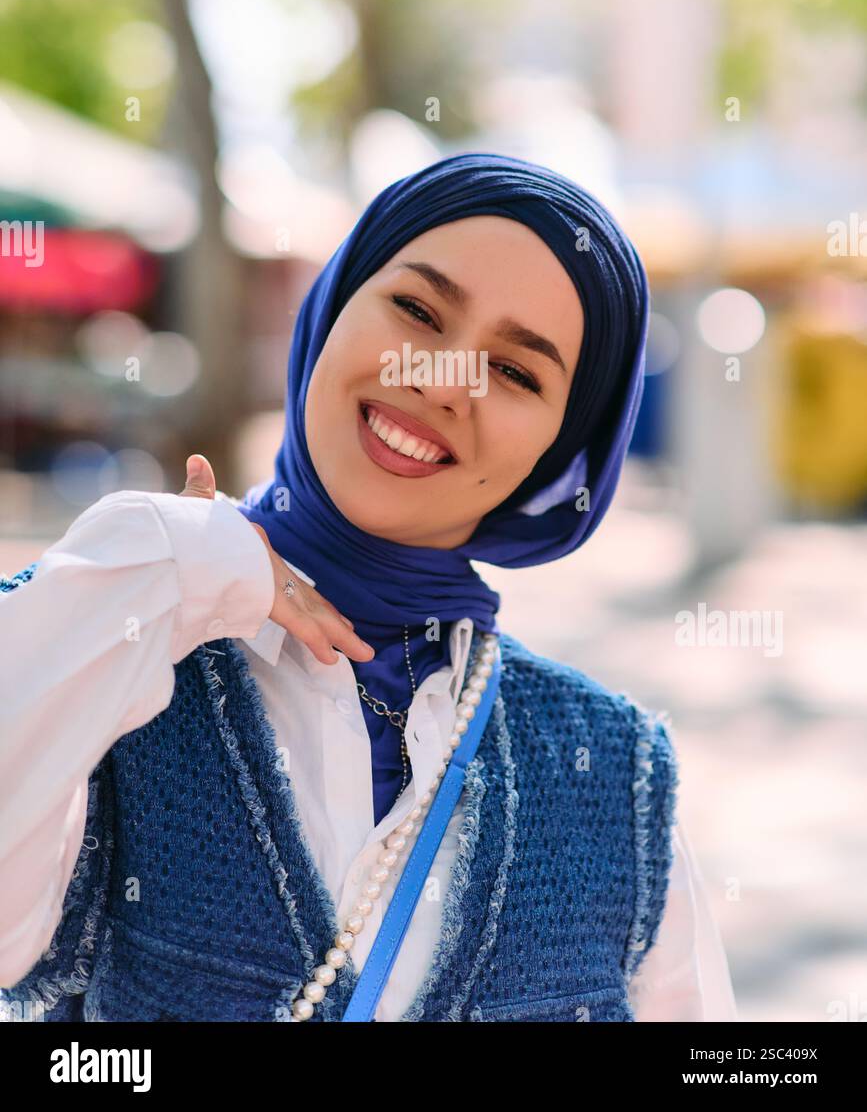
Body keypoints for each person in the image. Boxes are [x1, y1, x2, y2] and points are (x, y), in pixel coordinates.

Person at [0, 152, 737, 1022]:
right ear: (333, 305)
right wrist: (176, 553)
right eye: (418, 310)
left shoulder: (615, 781)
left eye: (515, 372)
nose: (438, 381)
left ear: (557, 451)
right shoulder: (117, 646)